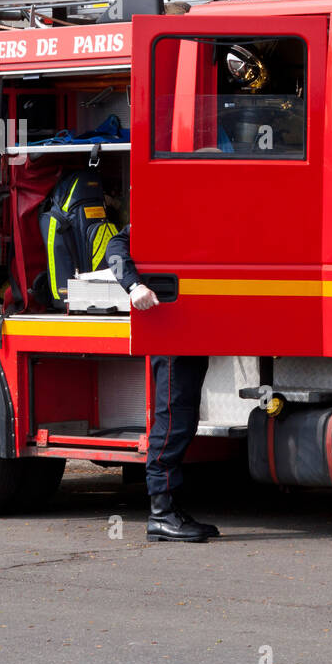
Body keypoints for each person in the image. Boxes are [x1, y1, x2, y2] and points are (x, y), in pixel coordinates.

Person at [105, 226, 220, 543]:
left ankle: (172, 510)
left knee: (183, 420)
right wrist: (132, 285)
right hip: (170, 328)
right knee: (172, 420)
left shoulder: (195, 212)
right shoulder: (161, 209)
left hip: (191, 328)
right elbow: (114, 248)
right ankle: (161, 514)